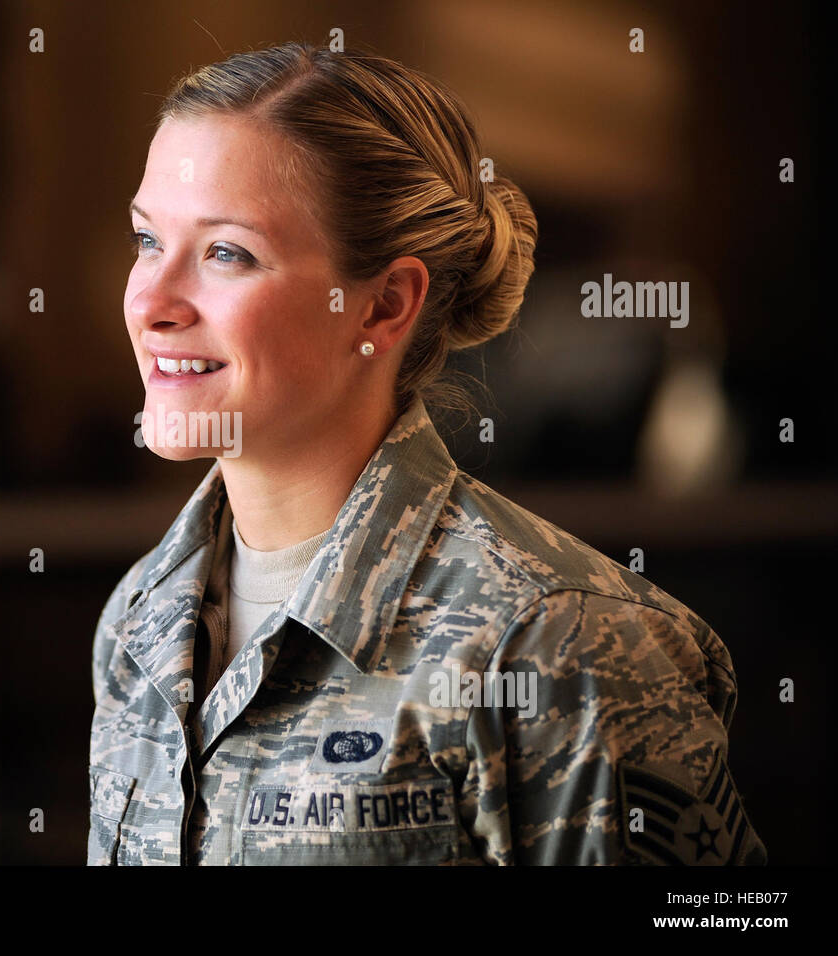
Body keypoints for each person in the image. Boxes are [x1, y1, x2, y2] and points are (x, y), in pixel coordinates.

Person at [88, 41, 765, 866]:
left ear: (384, 304)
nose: (150, 302)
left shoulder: (561, 643)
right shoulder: (140, 621)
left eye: (227, 252)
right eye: (146, 240)